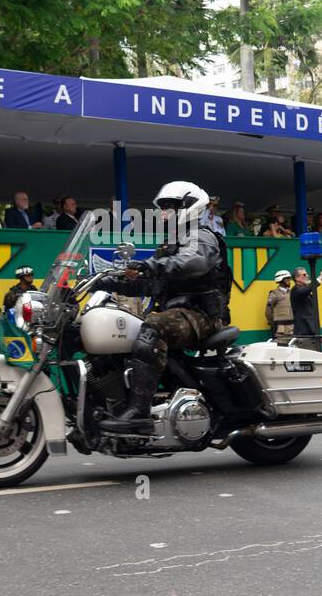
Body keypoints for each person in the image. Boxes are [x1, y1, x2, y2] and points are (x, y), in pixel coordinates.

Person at [97, 181, 231, 433]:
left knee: (153, 327)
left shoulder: (202, 236)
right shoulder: (169, 245)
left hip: (201, 315)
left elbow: (196, 261)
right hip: (179, 315)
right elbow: (148, 285)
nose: (163, 213)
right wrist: (103, 283)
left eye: (169, 208)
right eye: (163, 208)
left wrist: (150, 265)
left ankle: (139, 412)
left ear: (188, 208)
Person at [290, 266, 322, 350]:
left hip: (310, 329)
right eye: (304, 275)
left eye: (307, 274)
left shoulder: (303, 289)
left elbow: (309, 287)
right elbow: (308, 288)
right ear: (297, 278)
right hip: (303, 331)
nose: (307, 276)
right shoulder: (296, 290)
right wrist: (320, 278)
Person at [265, 270, 294, 343]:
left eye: (289, 278)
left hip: (293, 327)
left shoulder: (292, 292)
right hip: (280, 329)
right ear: (281, 280)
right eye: (287, 278)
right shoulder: (274, 294)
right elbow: (268, 310)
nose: (289, 280)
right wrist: (273, 323)